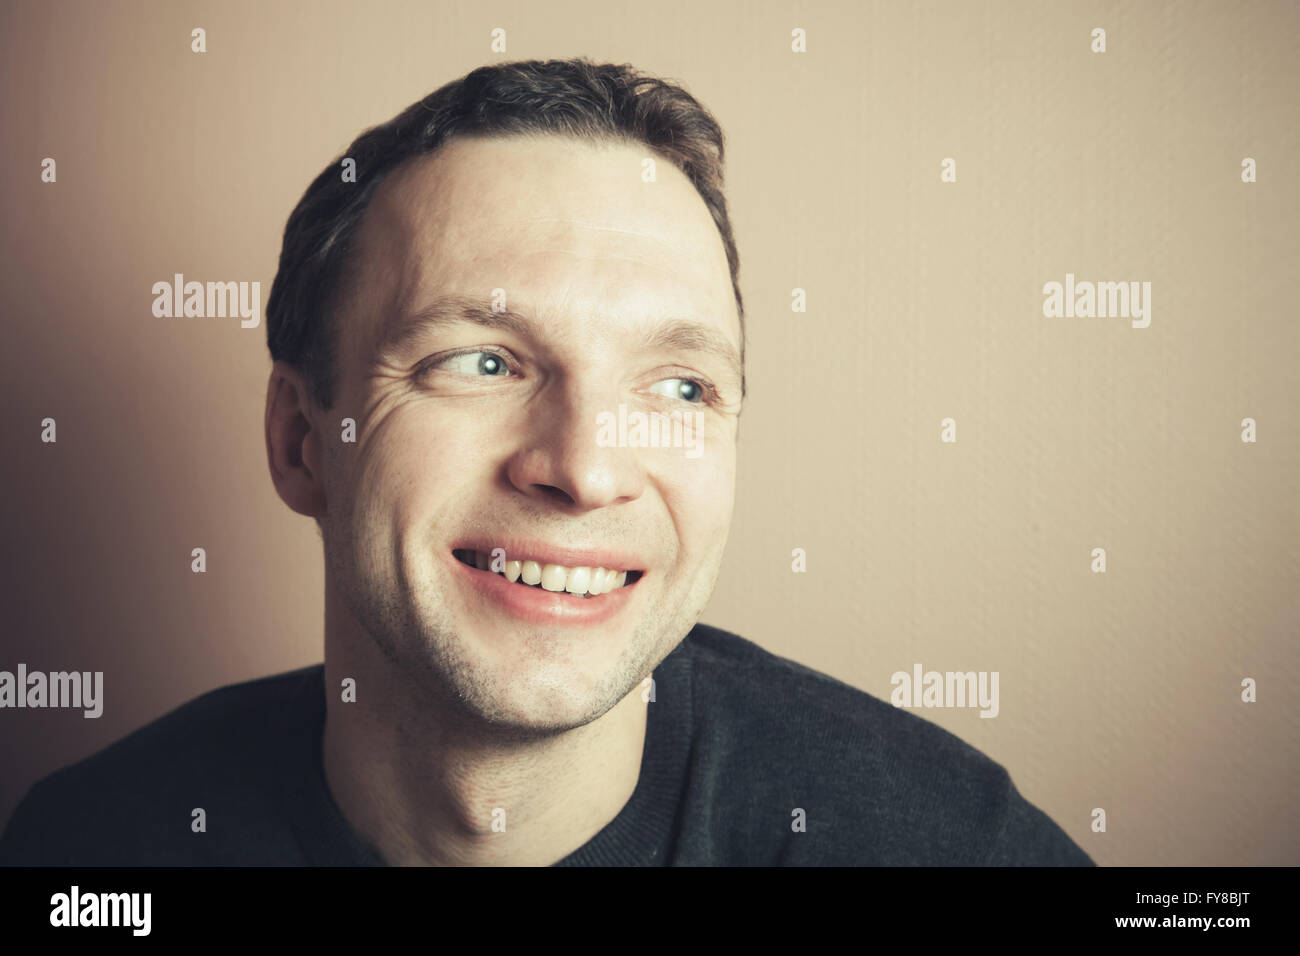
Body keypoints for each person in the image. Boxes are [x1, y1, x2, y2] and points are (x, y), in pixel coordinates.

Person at [0, 58, 1092, 866]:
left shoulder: (949, 846)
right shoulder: (91, 849)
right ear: (301, 441)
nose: (584, 467)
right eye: (481, 360)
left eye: (678, 387)